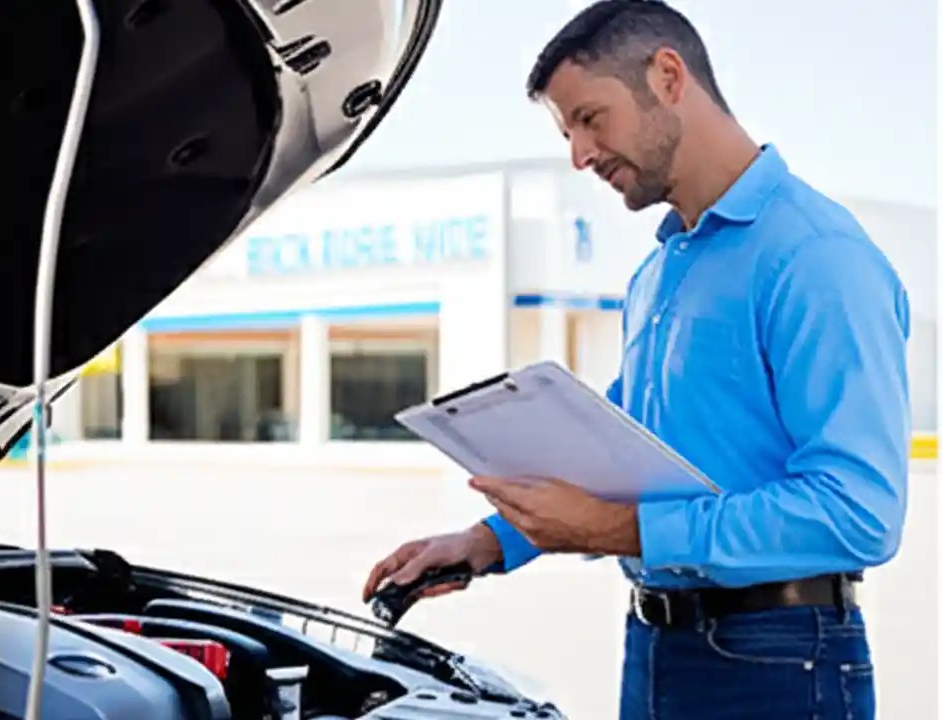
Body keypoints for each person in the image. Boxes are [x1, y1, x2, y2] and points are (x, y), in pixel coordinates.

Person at [361, 1, 912, 718]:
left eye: (591, 118)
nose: (579, 155)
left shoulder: (816, 257)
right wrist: (486, 542)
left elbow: (859, 512)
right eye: (567, 133)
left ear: (668, 75)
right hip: (656, 647)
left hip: (780, 659)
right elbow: (624, 461)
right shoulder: (660, 271)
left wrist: (619, 531)